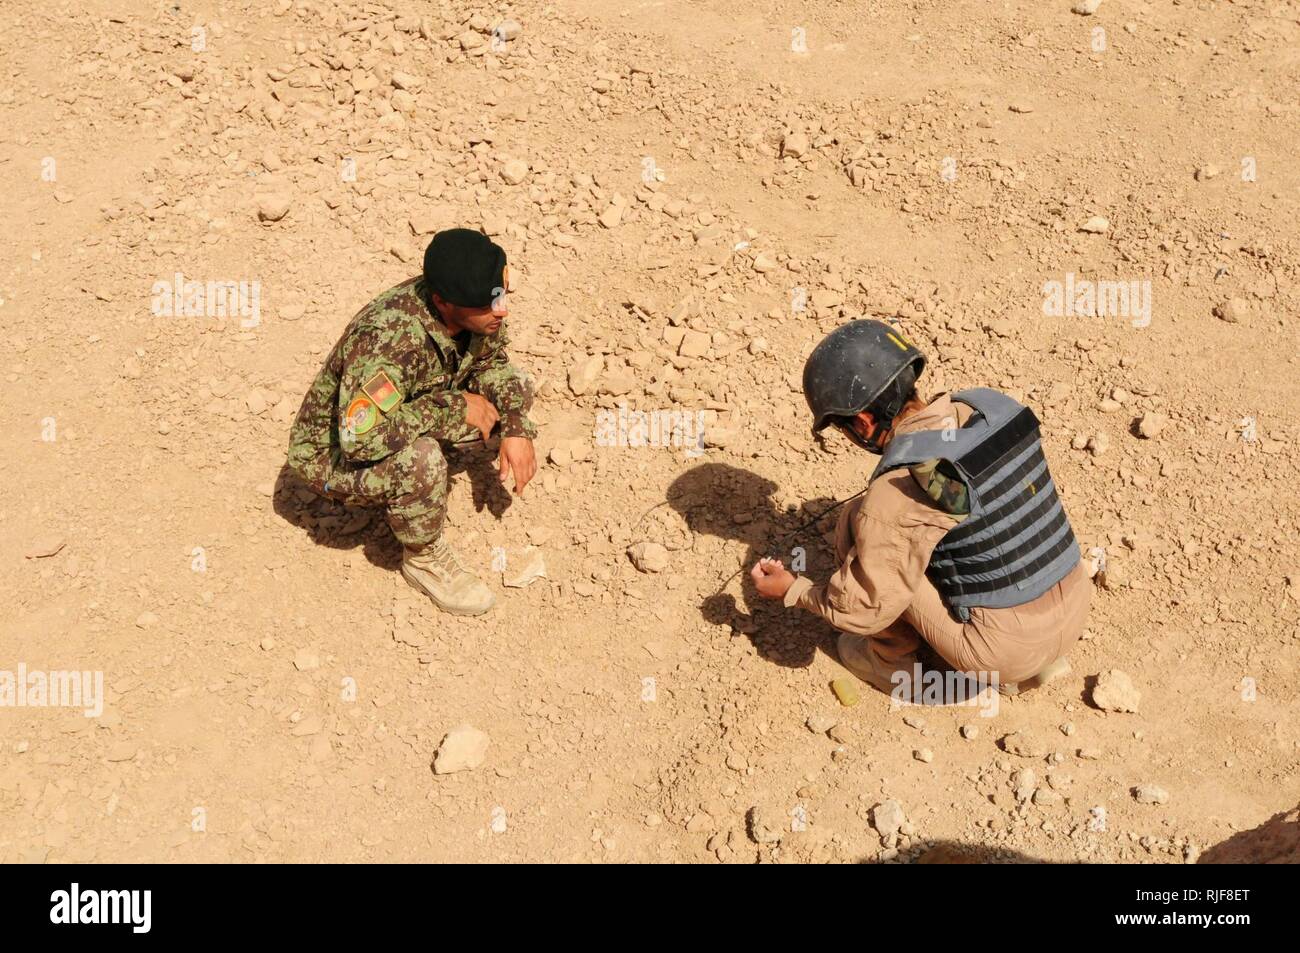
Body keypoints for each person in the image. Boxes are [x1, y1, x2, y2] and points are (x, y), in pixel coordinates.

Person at [750, 319, 1090, 698]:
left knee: (858, 527)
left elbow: (863, 608)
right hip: (1076, 606)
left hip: (1006, 651)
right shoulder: (989, 408)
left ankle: (892, 666)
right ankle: (1036, 661)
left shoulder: (897, 490)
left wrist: (793, 589)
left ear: (863, 422)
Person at [287, 228, 537, 616]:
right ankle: (422, 558)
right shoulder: (389, 341)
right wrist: (456, 408)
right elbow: (358, 439)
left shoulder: (478, 305)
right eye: (487, 305)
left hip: (407, 406)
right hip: (333, 454)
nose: (501, 310)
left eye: (501, 295)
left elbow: (491, 365)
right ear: (443, 302)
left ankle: (449, 446)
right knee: (422, 461)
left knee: (516, 387)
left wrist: (518, 428)